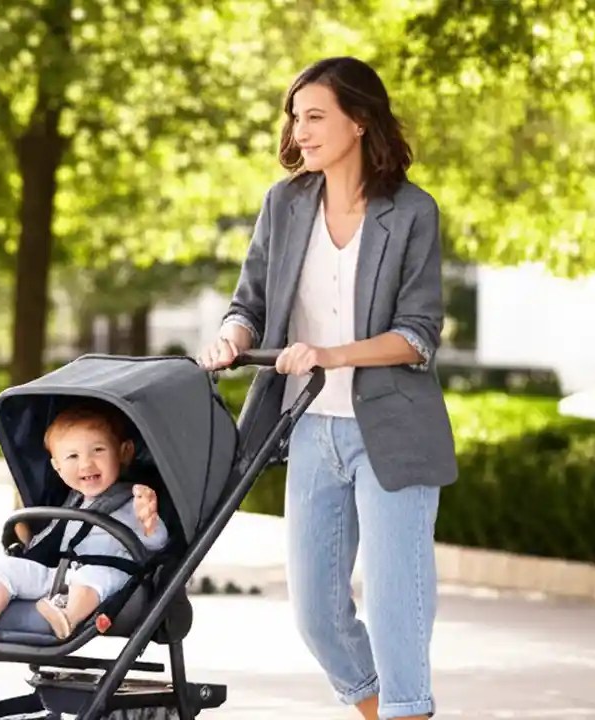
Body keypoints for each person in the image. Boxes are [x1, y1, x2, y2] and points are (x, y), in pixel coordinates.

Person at [189, 56, 457, 720]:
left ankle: (405, 710)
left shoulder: (412, 212)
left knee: (397, 604)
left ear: (359, 121)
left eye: (315, 116)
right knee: (316, 613)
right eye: (294, 117)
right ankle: (389, 712)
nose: (299, 131)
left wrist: (334, 354)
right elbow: (248, 302)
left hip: (393, 431)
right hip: (309, 429)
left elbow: (420, 334)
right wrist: (231, 337)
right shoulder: (284, 205)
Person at [0, 401, 167, 641]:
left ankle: (67, 618)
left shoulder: (133, 498)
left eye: (98, 450)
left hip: (111, 576)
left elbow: (156, 546)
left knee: (91, 576)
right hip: (62, 573)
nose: (86, 463)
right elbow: (49, 542)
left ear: (124, 452)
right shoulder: (72, 502)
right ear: (57, 467)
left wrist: (149, 522)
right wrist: (27, 545)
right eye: (72, 456)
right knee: (4, 567)